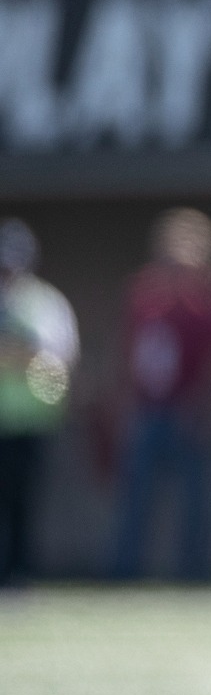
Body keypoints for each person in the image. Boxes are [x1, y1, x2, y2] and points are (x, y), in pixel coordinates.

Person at [108, 209, 211, 581]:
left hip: (186, 413)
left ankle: (194, 576)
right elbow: (129, 353)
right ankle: (123, 575)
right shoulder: (143, 294)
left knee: (195, 503)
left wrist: (204, 410)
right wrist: (124, 403)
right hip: (147, 410)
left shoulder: (206, 302)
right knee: (136, 499)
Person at [0, 219, 79, 588]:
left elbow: (53, 362)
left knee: (23, 504)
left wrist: (17, 354)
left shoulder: (44, 302)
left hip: (31, 421)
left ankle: (21, 575)